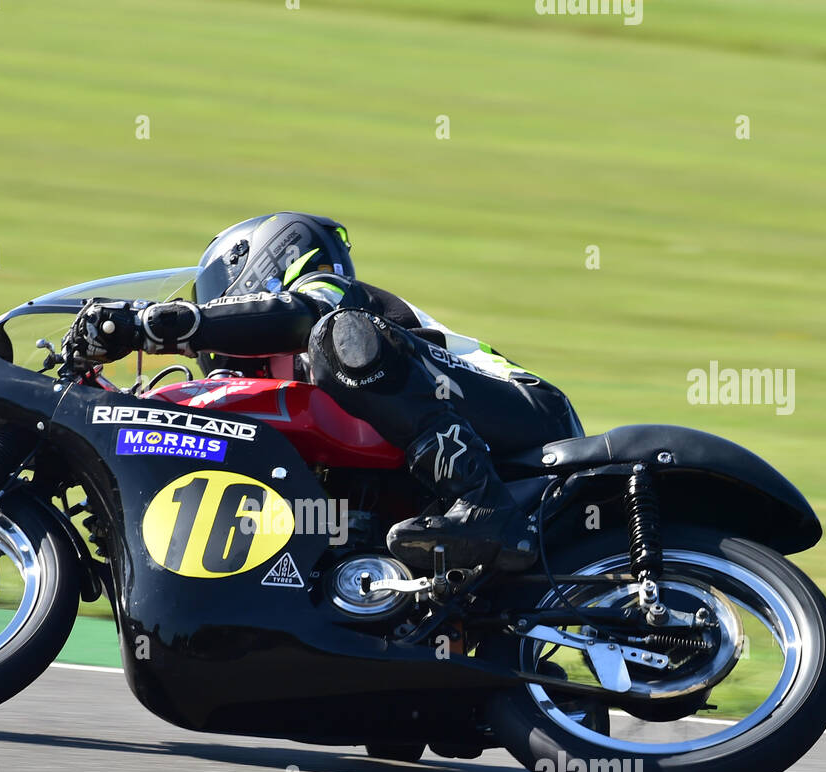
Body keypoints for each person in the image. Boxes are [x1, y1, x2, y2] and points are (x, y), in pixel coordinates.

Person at [62, 212, 579, 572]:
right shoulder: (322, 372)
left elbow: (297, 317)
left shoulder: (329, 292)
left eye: (213, 292)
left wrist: (156, 324)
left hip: (528, 414)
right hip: (472, 436)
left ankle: (482, 505)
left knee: (339, 334)